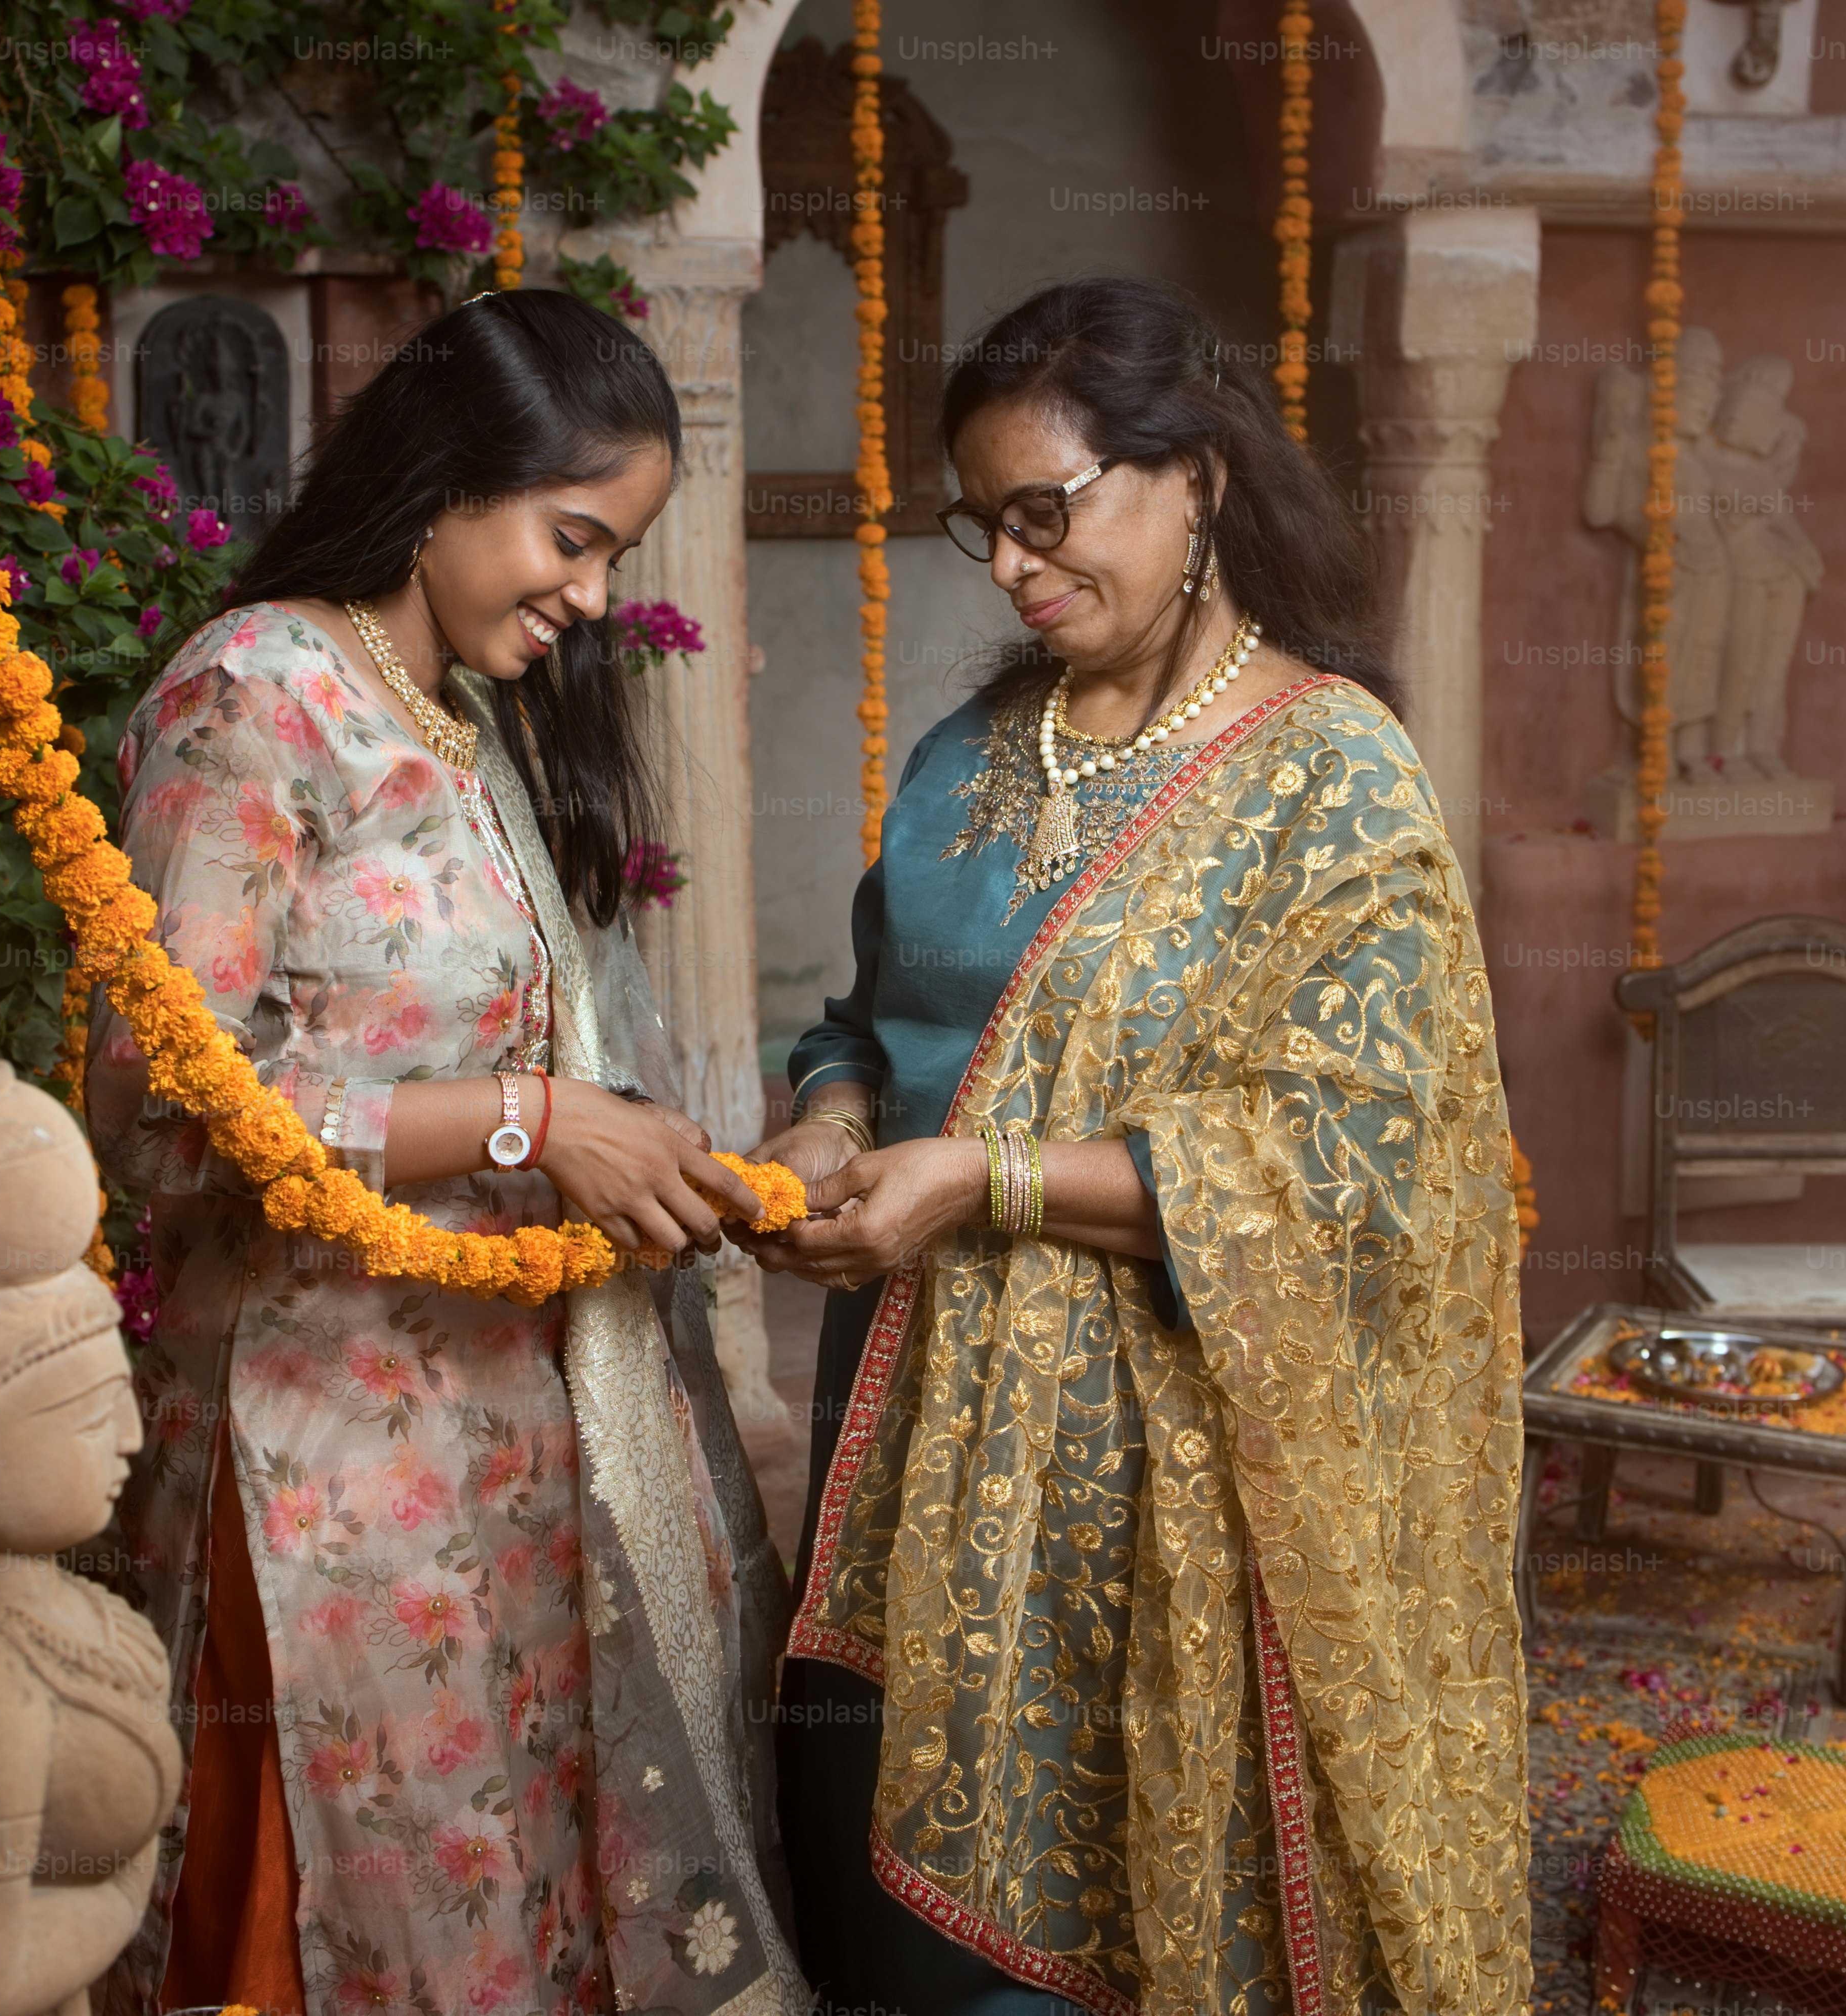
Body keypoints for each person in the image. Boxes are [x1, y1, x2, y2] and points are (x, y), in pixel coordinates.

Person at [744, 276, 1530, 2016]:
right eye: (987, 527)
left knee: (1116, 1860)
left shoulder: (1333, 779)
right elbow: (863, 1014)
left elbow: (1356, 1165)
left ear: (1203, 480)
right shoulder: (964, 758)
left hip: (1165, 1442)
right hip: (911, 1387)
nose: (1016, 567)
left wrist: (986, 1180)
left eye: (1054, 511)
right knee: (875, 1829)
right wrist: (832, 1122)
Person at [85, 288, 803, 2016]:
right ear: (443, 483)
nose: (593, 596)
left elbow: (505, 1056)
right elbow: (157, 1105)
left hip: (495, 1429)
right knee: (336, 1898)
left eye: (613, 553)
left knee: (503, 1902)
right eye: (571, 538)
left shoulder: (454, 725)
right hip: (317, 1454)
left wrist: (636, 1151)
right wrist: (536, 1125)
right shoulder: (252, 695)